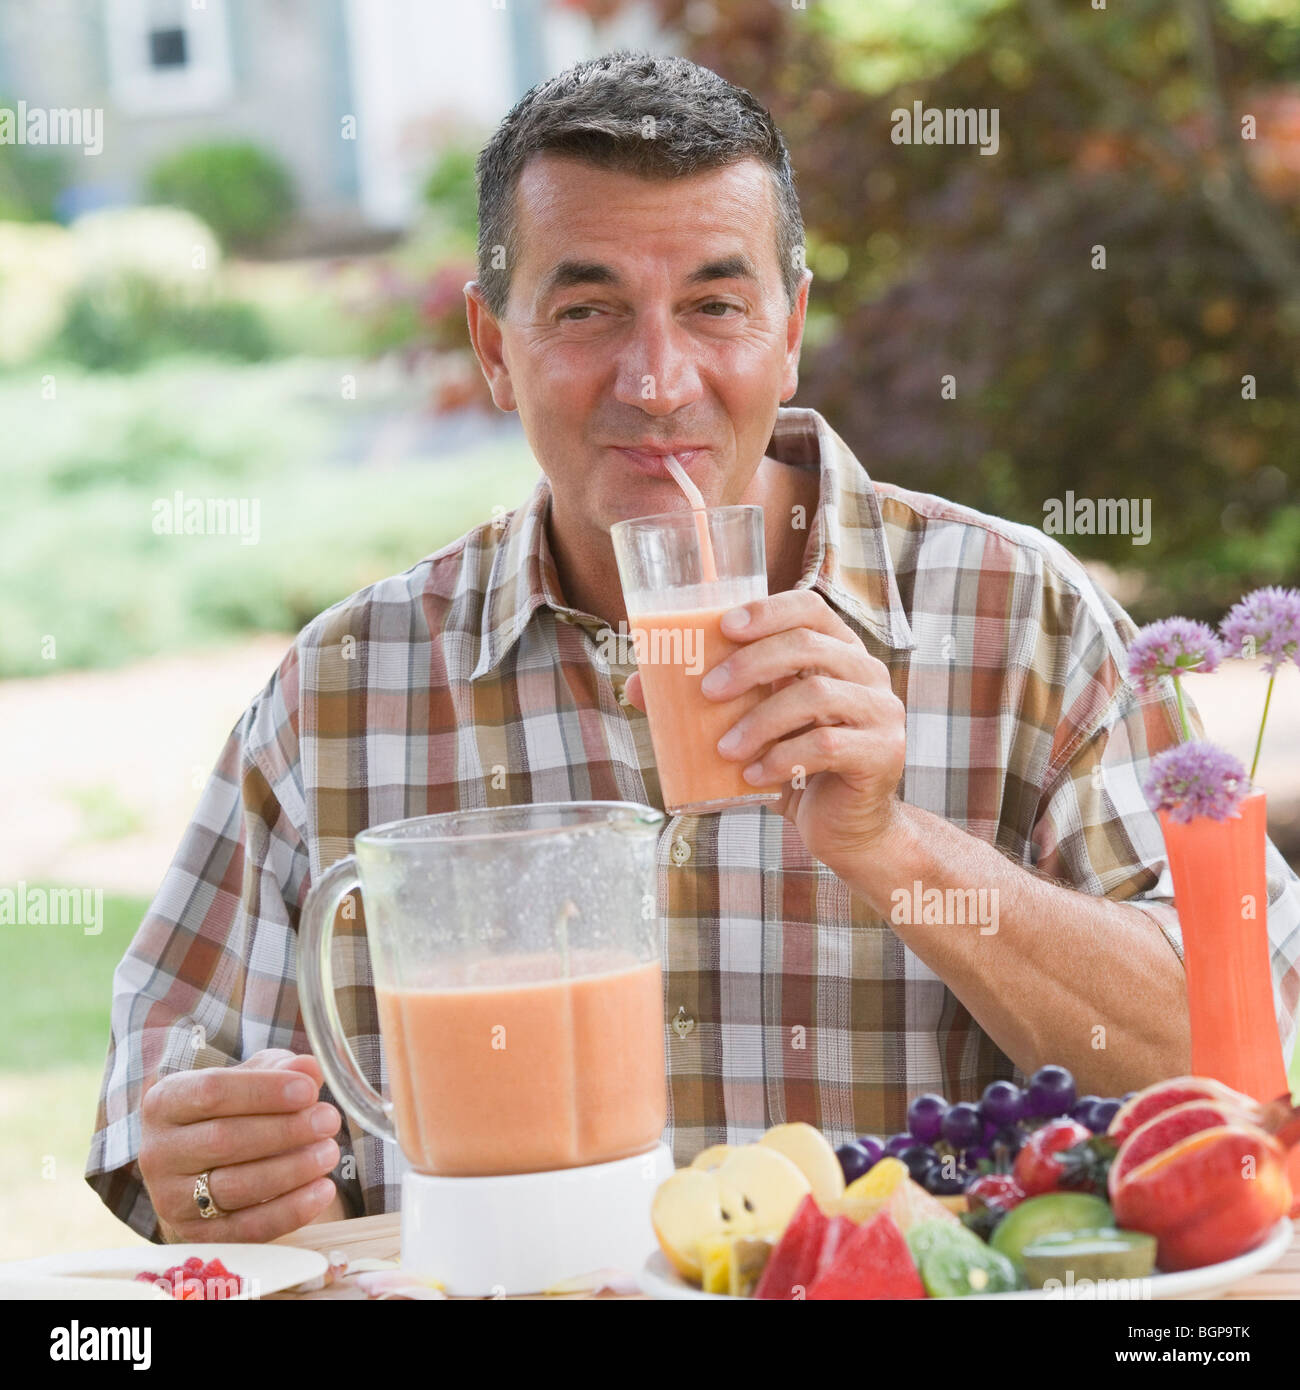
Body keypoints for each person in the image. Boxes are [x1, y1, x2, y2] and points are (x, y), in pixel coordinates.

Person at [87, 50, 1300, 1243]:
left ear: (791, 329)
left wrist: (890, 841)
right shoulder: (347, 686)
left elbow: (1248, 1064)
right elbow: (160, 1109)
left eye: (714, 306)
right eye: (587, 309)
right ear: (493, 347)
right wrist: (203, 1172)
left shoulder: (1018, 619)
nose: (658, 381)